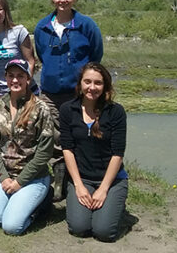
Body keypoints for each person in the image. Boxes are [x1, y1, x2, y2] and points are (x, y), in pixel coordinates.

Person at [34, 0, 103, 201]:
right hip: (50, 92)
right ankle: (59, 180)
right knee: (53, 137)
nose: (63, 0)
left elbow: (96, 55)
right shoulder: (43, 27)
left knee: (78, 134)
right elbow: (41, 54)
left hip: (78, 93)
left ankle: (81, 180)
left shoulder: (86, 25)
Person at [0, 59, 54, 235]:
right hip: (6, 174)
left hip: (33, 176)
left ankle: (42, 203)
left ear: (28, 79)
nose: (15, 80)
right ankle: (18, 200)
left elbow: (44, 153)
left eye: (20, 76)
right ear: (5, 78)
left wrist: (20, 182)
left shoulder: (41, 108)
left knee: (11, 227)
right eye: (11, 76)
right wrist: (4, 177)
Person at [60, 62, 128, 242]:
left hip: (111, 180)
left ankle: (115, 203)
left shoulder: (116, 112)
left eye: (98, 83)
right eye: (87, 81)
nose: (92, 87)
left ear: (105, 86)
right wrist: (78, 186)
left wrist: (104, 189)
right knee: (79, 227)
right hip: (82, 178)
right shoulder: (68, 110)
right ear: (80, 84)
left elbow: (118, 153)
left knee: (104, 232)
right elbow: (67, 149)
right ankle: (95, 205)